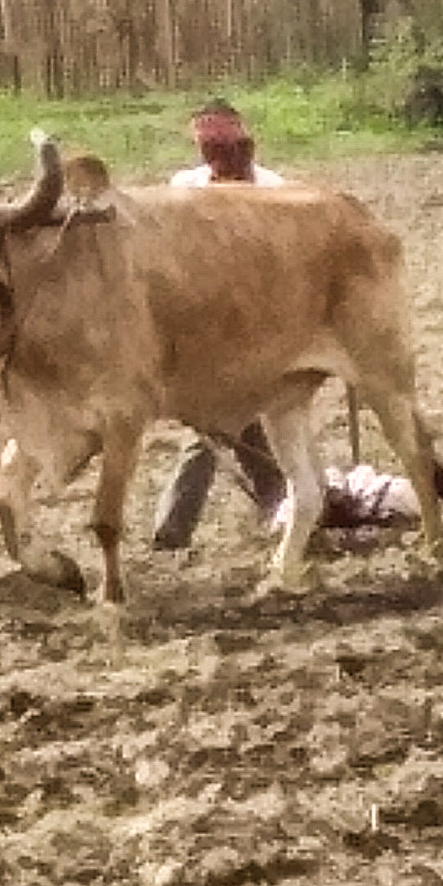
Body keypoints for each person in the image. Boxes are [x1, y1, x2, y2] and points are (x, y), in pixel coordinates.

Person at [152, 99, 292, 550]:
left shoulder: (273, 190)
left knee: (216, 423)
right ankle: (277, 502)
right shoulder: (185, 187)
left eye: (221, 143)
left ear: (241, 141)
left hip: (256, 321)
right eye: (205, 143)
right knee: (223, 420)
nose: (214, 152)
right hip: (201, 322)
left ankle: (174, 527)